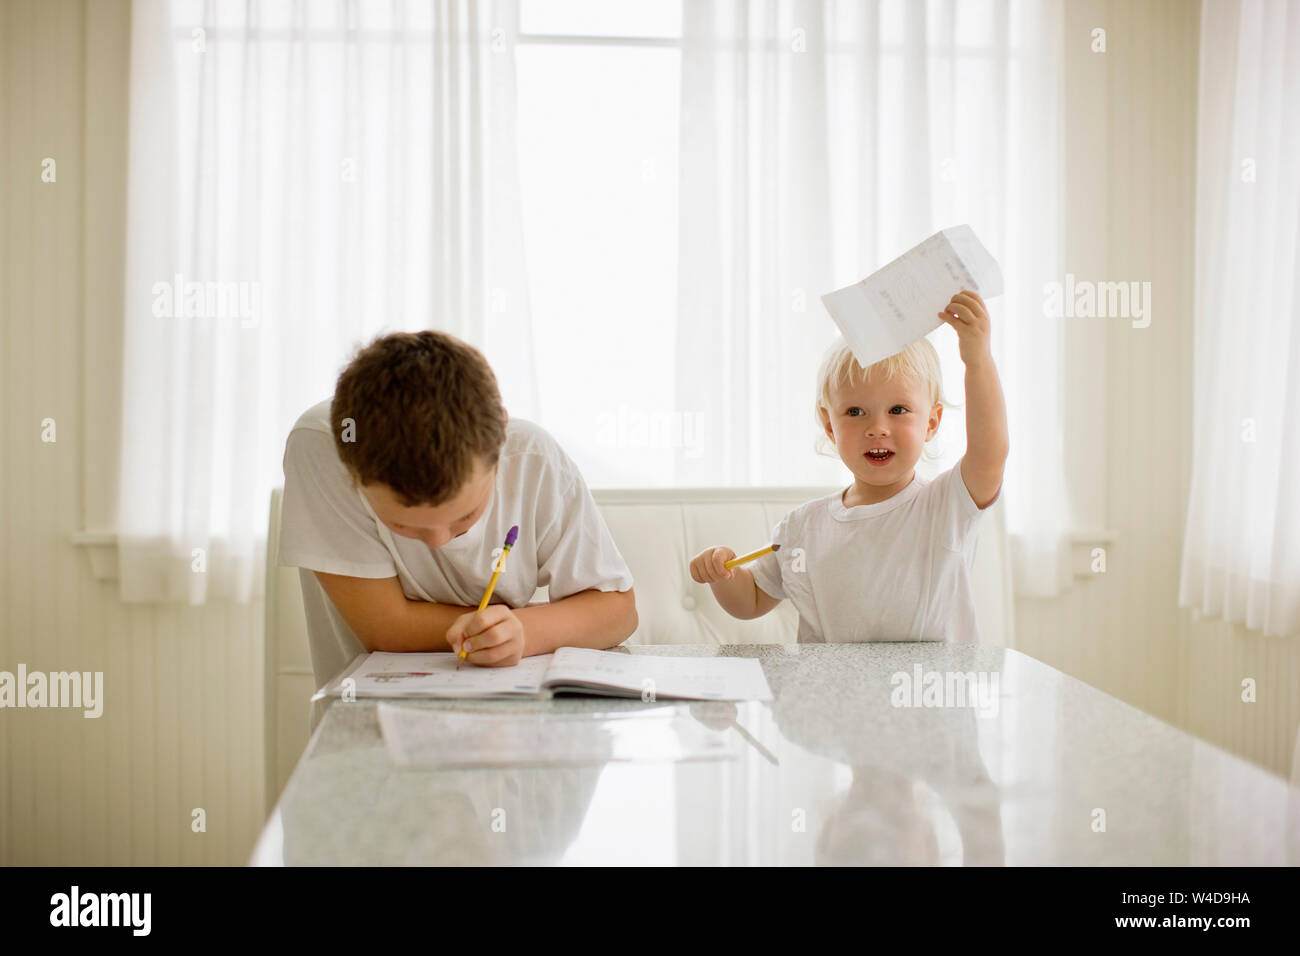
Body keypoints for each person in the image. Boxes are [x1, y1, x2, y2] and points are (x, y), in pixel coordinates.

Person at [278, 330, 637, 671]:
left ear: (500, 443)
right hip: (368, 723)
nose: (439, 540)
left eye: (465, 516)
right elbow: (386, 629)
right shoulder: (324, 446)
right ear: (350, 469)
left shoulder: (533, 459)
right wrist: (518, 627)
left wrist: (525, 632)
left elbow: (618, 612)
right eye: (403, 525)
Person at [689, 290, 1007, 643]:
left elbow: (989, 453)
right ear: (830, 426)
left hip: (927, 695)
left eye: (898, 410)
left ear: (931, 424)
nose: (877, 428)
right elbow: (750, 601)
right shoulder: (802, 528)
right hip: (831, 696)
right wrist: (722, 574)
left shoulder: (946, 507)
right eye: (855, 412)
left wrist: (977, 361)